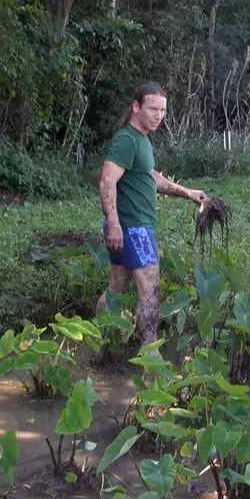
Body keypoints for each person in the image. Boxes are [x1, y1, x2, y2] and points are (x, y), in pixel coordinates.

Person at [95, 83, 206, 346]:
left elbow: (150, 177)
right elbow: (106, 182)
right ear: (136, 107)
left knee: (116, 287)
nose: (158, 115)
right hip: (134, 230)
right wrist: (114, 225)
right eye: (153, 109)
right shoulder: (126, 139)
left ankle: (96, 341)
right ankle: (150, 355)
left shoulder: (141, 140)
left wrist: (186, 192)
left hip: (128, 229)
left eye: (163, 110)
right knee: (150, 293)